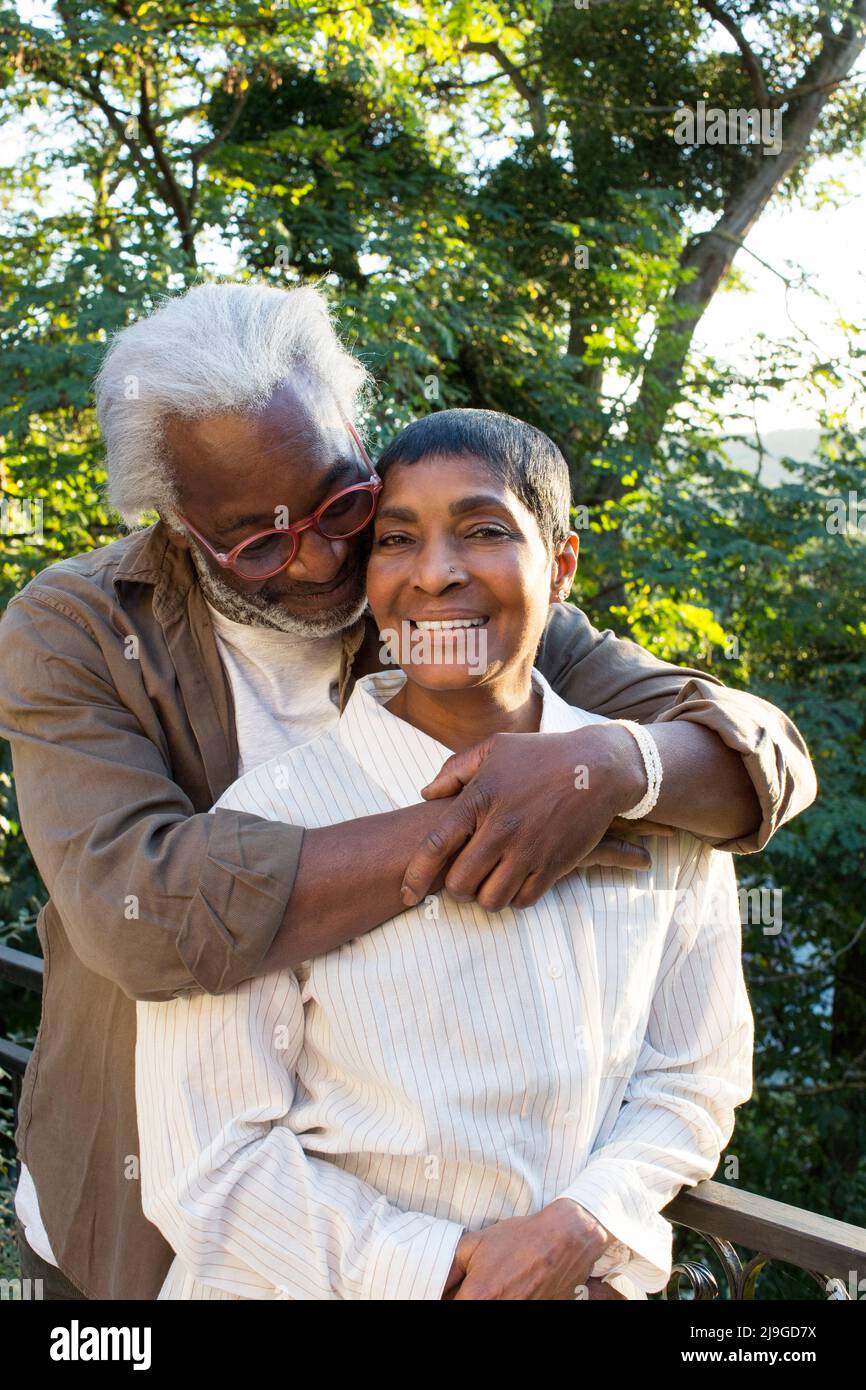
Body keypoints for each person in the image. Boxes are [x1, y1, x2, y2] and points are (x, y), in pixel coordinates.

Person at [0, 281, 813, 1300]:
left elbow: (761, 758)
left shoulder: (440, 590)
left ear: (355, 435)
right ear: (177, 525)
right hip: (137, 1217)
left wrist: (608, 767)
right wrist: (484, 818)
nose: (324, 555)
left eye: (345, 504)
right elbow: (143, 918)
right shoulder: (72, 632)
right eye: (259, 539)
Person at [135, 409, 754, 1300]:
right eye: (398, 540)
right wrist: (446, 1269)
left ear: (563, 564)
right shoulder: (267, 821)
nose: (436, 573)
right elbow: (210, 1165)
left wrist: (584, 1223)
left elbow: (694, 1075)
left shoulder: (649, 806)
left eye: (485, 530)